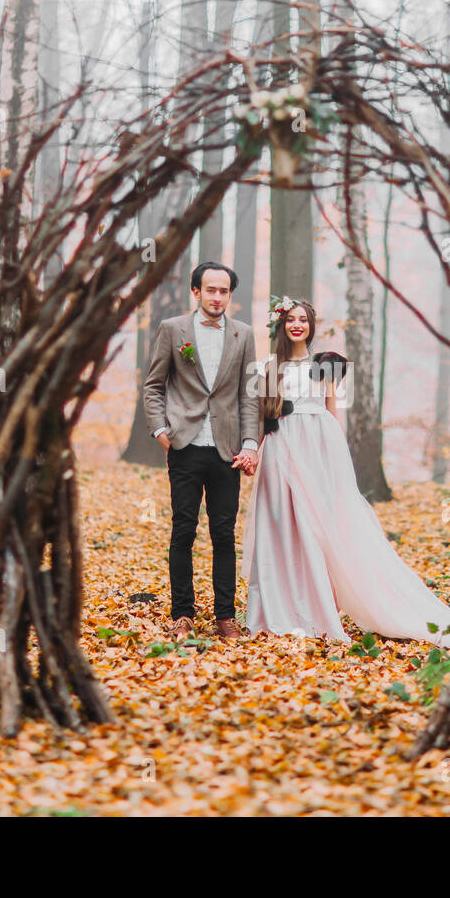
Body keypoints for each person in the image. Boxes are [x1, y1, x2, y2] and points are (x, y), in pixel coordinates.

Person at [242, 296, 450, 647]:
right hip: (278, 449)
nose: (297, 325)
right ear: (281, 326)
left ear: (311, 325)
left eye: (303, 319)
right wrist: (253, 451)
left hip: (316, 449)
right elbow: (259, 419)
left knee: (315, 526)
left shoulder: (326, 365)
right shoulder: (267, 369)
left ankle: (318, 604)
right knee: (279, 526)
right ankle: (276, 605)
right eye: (290, 320)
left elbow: (334, 414)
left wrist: (334, 463)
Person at [142, 262, 259, 640]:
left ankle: (225, 617)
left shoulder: (244, 335)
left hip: (227, 451)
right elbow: (154, 386)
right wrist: (162, 431)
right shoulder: (173, 329)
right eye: (210, 290)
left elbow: (248, 394)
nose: (217, 297)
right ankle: (183, 614)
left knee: (224, 534)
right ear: (196, 292)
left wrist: (250, 443)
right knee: (183, 531)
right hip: (185, 445)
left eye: (224, 291)